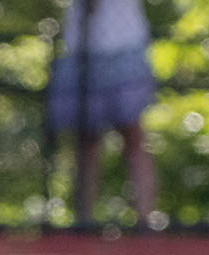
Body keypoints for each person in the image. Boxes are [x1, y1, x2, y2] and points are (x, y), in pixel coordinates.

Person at [46, 0, 156, 228]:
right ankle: (83, 219)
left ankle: (145, 219)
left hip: (124, 45)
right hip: (83, 50)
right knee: (86, 140)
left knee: (133, 136)